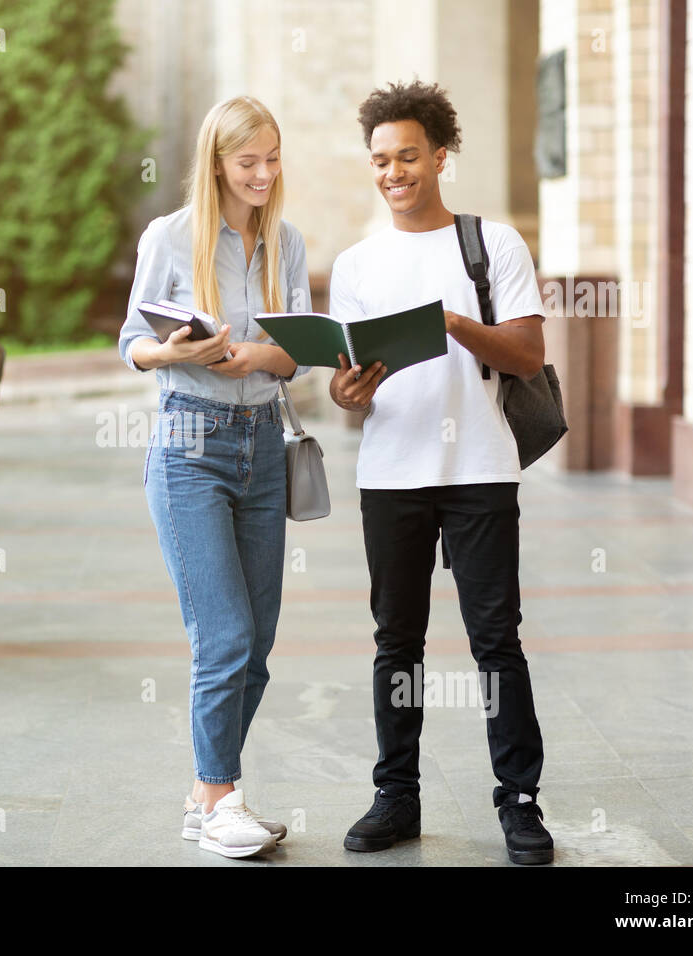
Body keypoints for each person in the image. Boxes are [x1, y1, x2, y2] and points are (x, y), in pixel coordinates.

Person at [328, 80, 554, 865]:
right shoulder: (356, 264)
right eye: (381, 160)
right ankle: (397, 796)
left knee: (496, 642)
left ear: (441, 156)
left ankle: (519, 800)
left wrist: (455, 322)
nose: (393, 173)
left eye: (408, 157)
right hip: (390, 472)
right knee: (397, 643)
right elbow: (348, 385)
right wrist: (346, 392)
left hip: (480, 468)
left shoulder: (492, 245)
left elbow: (527, 353)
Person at [118, 96, 310, 859]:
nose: (263, 174)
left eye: (272, 158)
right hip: (189, 443)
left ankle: (206, 799)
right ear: (217, 164)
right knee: (223, 634)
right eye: (247, 162)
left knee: (256, 644)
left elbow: (298, 351)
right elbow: (132, 343)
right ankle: (222, 796)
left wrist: (256, 355)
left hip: (263, 442)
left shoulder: (285, 242)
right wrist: (176, 353)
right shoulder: (170, 237)